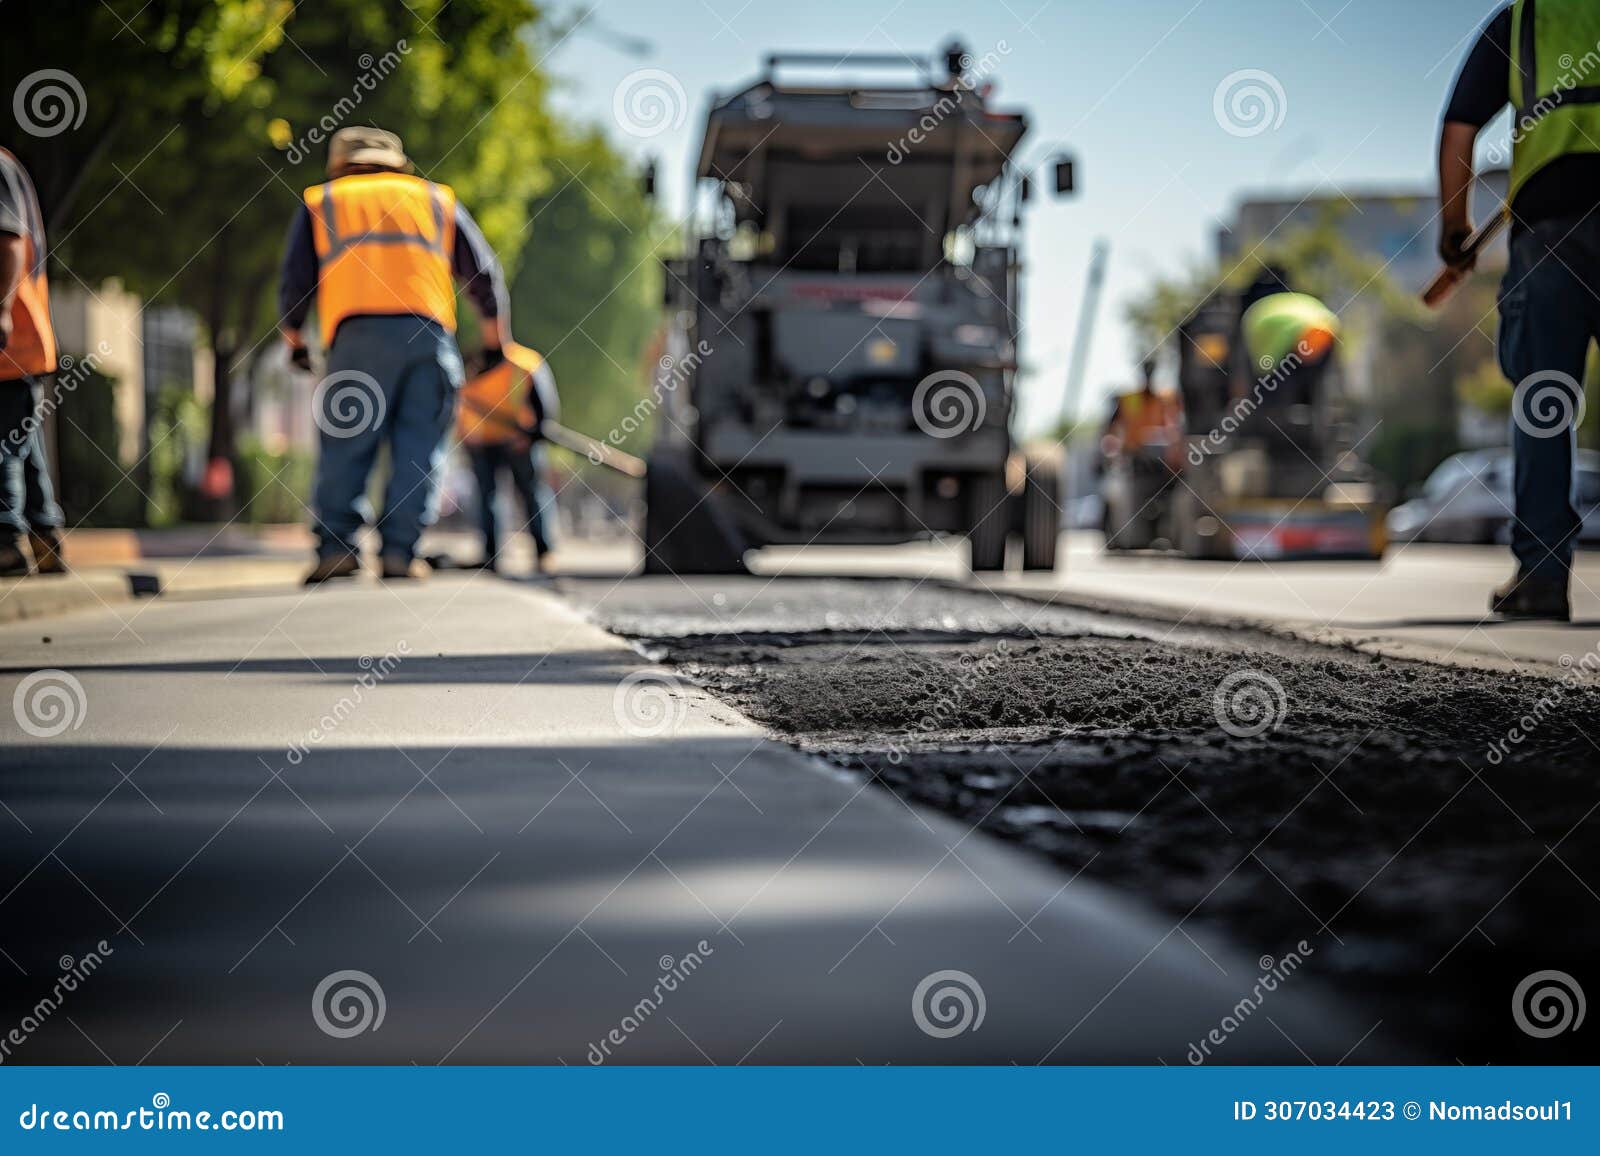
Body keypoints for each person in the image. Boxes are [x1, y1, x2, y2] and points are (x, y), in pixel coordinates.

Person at [278, 126, 509, 583]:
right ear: (397, 163)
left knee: (347, 441)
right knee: (419, 447)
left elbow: (294, 283)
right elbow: (484, 276)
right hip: (428, 337)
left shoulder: (324, 201)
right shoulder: (435, 200)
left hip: (356, 338)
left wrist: (296, 342)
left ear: (338, 163)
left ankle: (337, 548)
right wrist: (494, 342)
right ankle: (401, 553)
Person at [1440, 0, 1600, 620]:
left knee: (1544, 402)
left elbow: (1460, 128)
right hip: (1550, 223)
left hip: (1550, 227)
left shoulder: (1524, 20)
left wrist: (1455, 229)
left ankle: (1540, 577)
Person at [0, 146, 67, 579]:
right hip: (20, 340)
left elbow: (8, 241)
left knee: (5, 442)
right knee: (23, 441)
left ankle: (5, 541)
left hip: (11, 337)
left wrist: (1, 308)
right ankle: (46, 536)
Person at [457, 341, 561, 573]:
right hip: (482, 442)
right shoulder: (471, 363)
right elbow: (462, 401)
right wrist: (465, 434)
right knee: (487, 497)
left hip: (519, 442)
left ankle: (544, 551)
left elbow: (545, 406)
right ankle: (490, 555)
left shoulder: (524, 361)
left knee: (532, 493)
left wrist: (532, 435)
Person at [1104, 357, 1183, 465]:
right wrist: (1106, 453)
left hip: (1161, 459)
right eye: (1147, 371)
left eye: (1151, 371)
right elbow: (1111, 426)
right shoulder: (1129, 399)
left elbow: (1173, 426)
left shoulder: (1165, 399)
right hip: (1134, 456)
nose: (1149, 375)